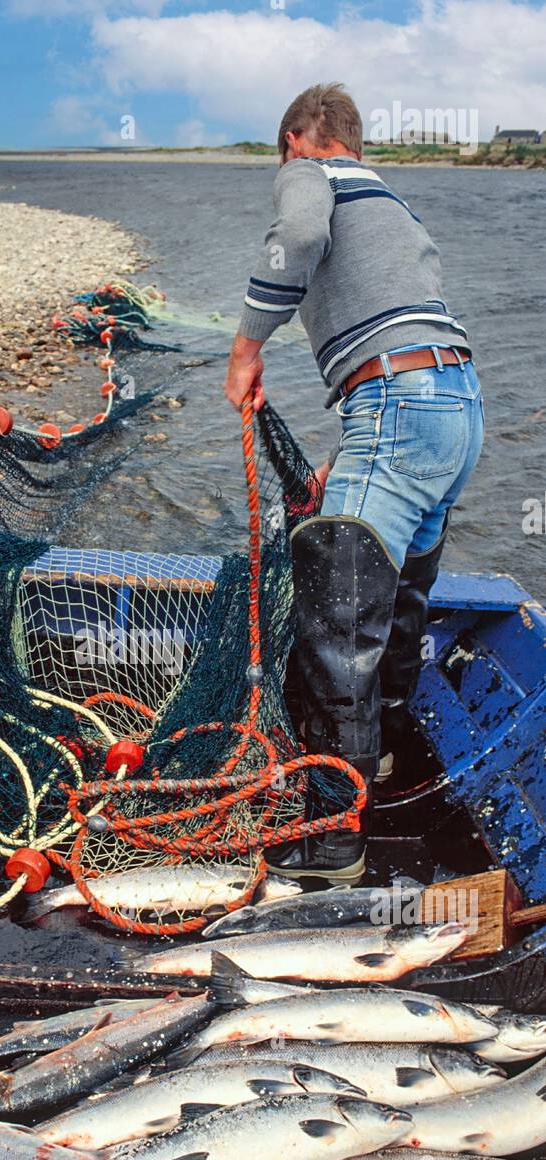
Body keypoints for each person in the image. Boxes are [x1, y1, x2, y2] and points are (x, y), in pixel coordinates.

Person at [225, 83, 484, 884]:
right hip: (455, 410)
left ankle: (334, 842)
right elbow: (401, 317)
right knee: (395, 600)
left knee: (338, 627)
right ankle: (387, 770)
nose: (286, 165)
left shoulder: (314, 172)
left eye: (285, 152)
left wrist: (245, 351)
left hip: (397, 408)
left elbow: (295, 234)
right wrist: (361, 445)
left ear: (300, 138)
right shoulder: (391, 201)